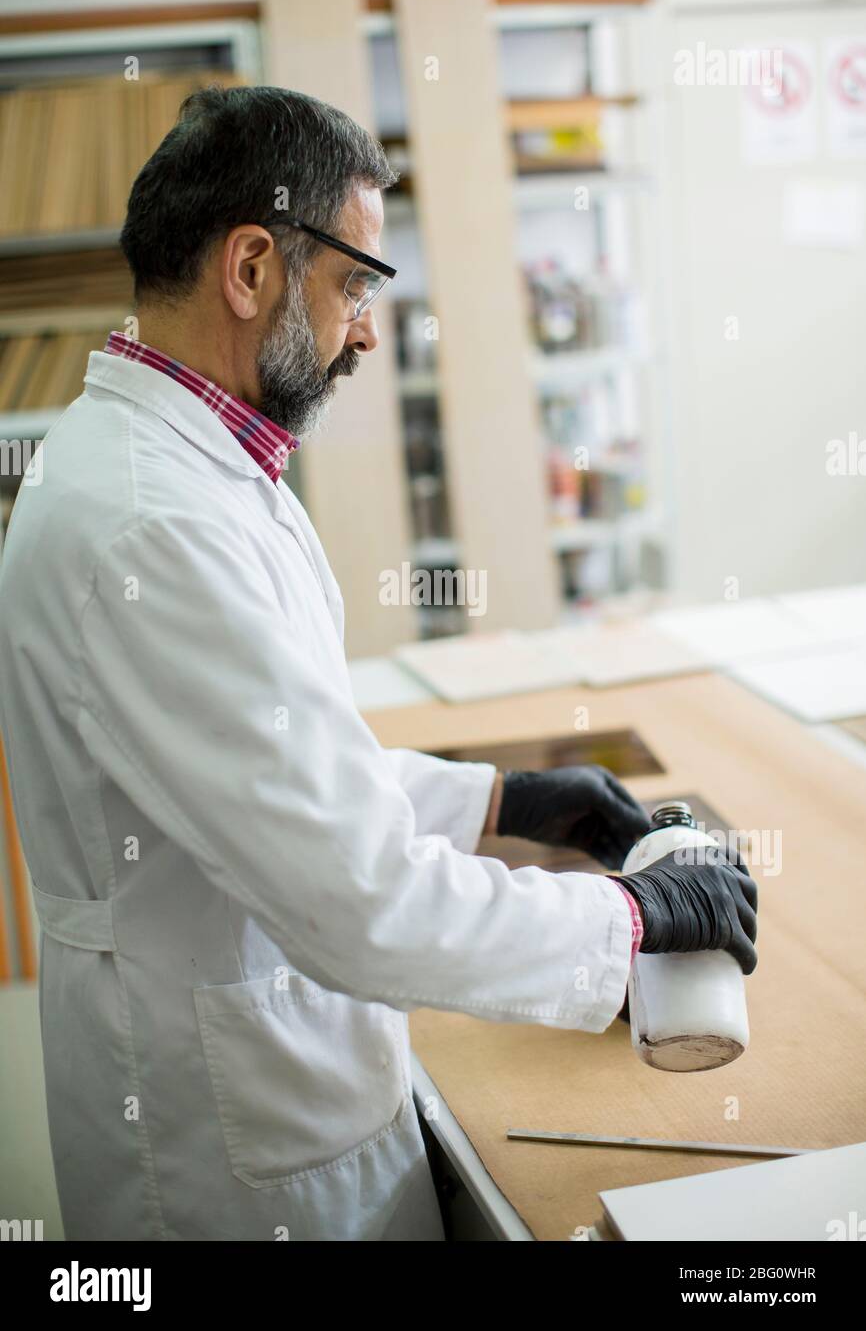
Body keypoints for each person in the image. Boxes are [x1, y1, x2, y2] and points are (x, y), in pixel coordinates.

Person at [0, 85, 757, 1242]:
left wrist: (504, 799)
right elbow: (357, 900)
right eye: (354, 284)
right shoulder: (154, 523)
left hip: (262, 1080)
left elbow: (270, 768)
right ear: (250, 269)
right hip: (231, 1152)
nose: (365, 330)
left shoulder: (180, 465)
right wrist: (629, 919)